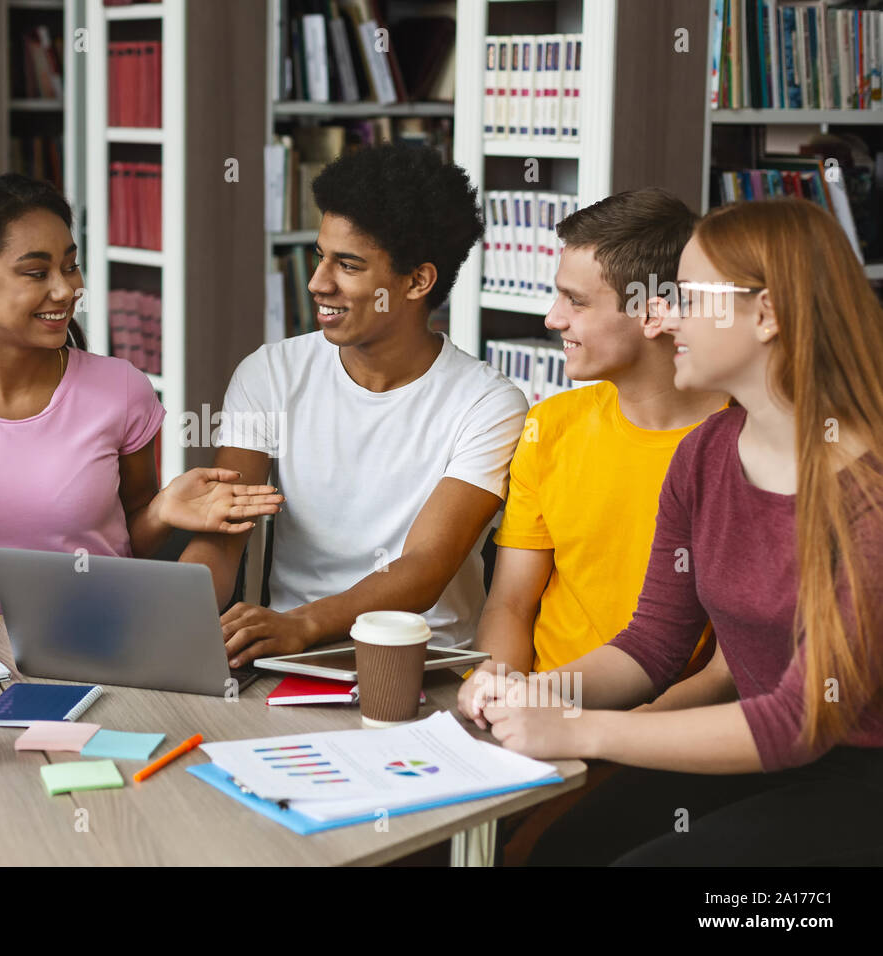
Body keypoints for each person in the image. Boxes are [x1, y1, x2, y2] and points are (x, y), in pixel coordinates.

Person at [462, 197, 883, 865]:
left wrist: (579, 730)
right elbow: (654, 643)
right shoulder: (709, 452)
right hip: (750, 751)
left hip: (855, 777)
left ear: (767, 314)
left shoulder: (869, 490)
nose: (664, 317)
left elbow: (798, 720)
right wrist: (536, 692)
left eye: (685, 297)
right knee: (562, 854)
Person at [0, 173, 281, 603]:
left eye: (71, 266)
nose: (65, 290)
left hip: (108, 644)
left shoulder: (121, 389)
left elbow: (131, 541)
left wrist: (160, 513)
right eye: (37, 273)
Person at [181, 143, 529, 667]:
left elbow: (426, 564)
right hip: (287, 657)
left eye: (348, 264)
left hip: (424, 665)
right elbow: (225, 533)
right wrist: (179, 621)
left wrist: (303, 623)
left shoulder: (488, 403)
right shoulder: (270, 373)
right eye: (322, 256)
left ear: (417, 281)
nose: (318, 282)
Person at [475, 188, 728, 679]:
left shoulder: (742, 445)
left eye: (576, 300)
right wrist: (497, 693)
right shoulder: (547, 426)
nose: (553, 318)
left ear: (654, 314)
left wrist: (605, 734)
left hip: (662, 732)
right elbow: (509, 604)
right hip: (539, 708)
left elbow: (729, 669)